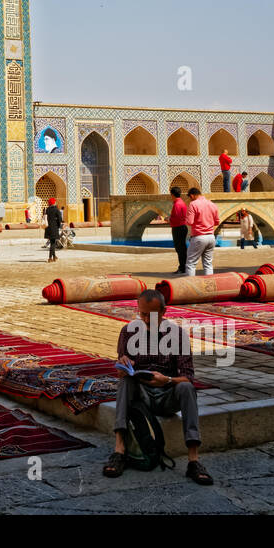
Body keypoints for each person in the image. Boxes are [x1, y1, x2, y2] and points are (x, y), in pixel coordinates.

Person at [104, 289, 212, 485]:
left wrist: (168, 380)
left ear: (164, 312)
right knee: (125, 382)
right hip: (142, 396)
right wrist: (124, 365)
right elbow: (122, 367)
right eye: (142, 314)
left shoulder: (177, 335)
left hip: (167, 395)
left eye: (151, 315)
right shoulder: (128, 332)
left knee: (187, 389)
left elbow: (188, 377)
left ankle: (194, 460)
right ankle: (119, 450)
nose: (146, 319)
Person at [184, 188, 219, 276]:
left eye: (190, 197)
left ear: (192, 195)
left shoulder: (193, 204)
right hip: (211, 236)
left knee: (191, 264)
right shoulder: (212, 204)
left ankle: (190, 286)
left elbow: (190, 222)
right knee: (208, 264)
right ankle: (210, 285)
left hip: (198, 236)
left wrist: (185, 219)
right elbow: (217, 221)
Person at [161, 186, 189, 274]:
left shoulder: (177, 204)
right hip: (182, 227)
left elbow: (176, 218)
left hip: (178, 228)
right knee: (182, 249)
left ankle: (182, 268)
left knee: (180, 249)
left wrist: (168, 219)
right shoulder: (182, 203)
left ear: (172, 194)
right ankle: (184, 267)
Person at [44, 196, 64, 263]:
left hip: (48, 228)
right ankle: (50, 258)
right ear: (54, 202)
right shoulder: (56, 209)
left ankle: (54, 257)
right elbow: (60, 219)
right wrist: (59, 225)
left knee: (52, 242)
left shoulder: (47, 209)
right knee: (53, 244)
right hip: (54, 228)